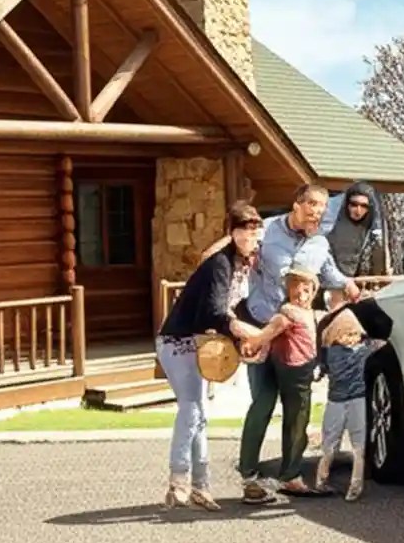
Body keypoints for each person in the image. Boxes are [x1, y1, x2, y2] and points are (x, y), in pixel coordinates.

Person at [202, 183, 361, 505]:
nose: (315, 217)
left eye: (320, 212)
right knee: (263, 401)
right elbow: (229, 255)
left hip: (298, 336)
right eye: (311, 209)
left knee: (298, 406)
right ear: (296, 205)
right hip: (261, 326)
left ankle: (291, 476)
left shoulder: (318, 242)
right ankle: (249, 474)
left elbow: (327, 272)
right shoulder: (267, 230)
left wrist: (347, 283)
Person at [154, 201, 265, 511]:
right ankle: (178, 480)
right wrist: (239, 331)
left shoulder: (243, 265)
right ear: (232, 233)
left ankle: (201, 486)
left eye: (254, 229)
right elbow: (214, 311)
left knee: (200, 415)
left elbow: (236, 307)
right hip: (178, 342)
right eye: (243, 229)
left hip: (201, 344)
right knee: (191, 410)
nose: (250, 235)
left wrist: (244, 332)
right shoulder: (220, 264)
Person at [239, 267, 328, 498]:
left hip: (297, 368)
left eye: (305, 288)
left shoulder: (309, 313)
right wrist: (255, 341)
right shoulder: (289, 312)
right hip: (293, 371)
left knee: (293, 419)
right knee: (296, 419)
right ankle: (287, 475)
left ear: (313, 292)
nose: (300, 293)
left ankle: (273, 472)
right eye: (295, 287)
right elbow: (273, 328)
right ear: (288, 290)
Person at [314, 307, 383, 501]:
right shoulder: (366, 349)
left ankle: (321, 480)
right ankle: (355, 485)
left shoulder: (330, 352)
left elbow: (322, 360)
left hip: (336, 399)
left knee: (330, 443)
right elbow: (381, 343)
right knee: (358, 445)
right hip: (357, 399)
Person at [322, 182, 387, 308]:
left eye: (363, 206)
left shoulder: (370, 233)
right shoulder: (330, 229)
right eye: (354, 204)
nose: (358, 210)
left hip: (359, 289)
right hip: (331, 288)